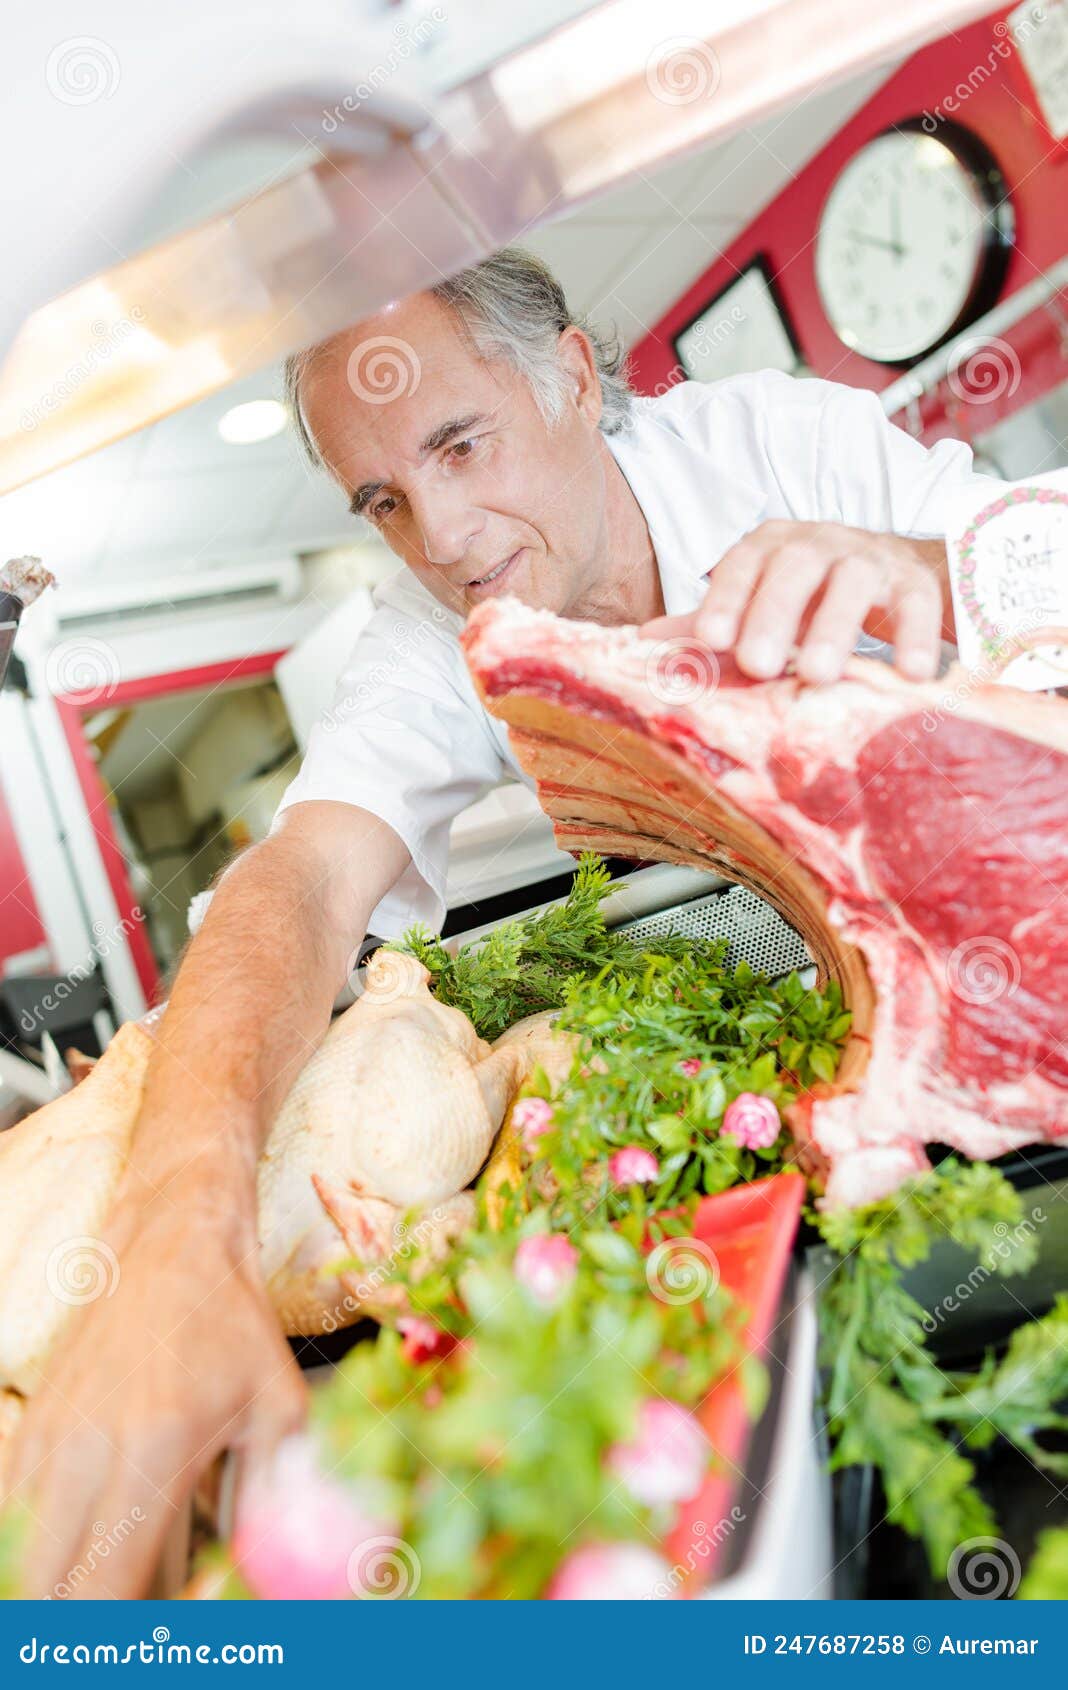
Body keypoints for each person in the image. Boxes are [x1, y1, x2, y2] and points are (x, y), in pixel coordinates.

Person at [4, 248, 995, 1595]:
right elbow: (298, 882)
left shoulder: (785, 442)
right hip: (827, 1103)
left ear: (576, 376)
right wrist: (180, 1227)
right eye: (388, 501)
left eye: (462, 444)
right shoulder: (435, 632)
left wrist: (926, 566)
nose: (448, 537)